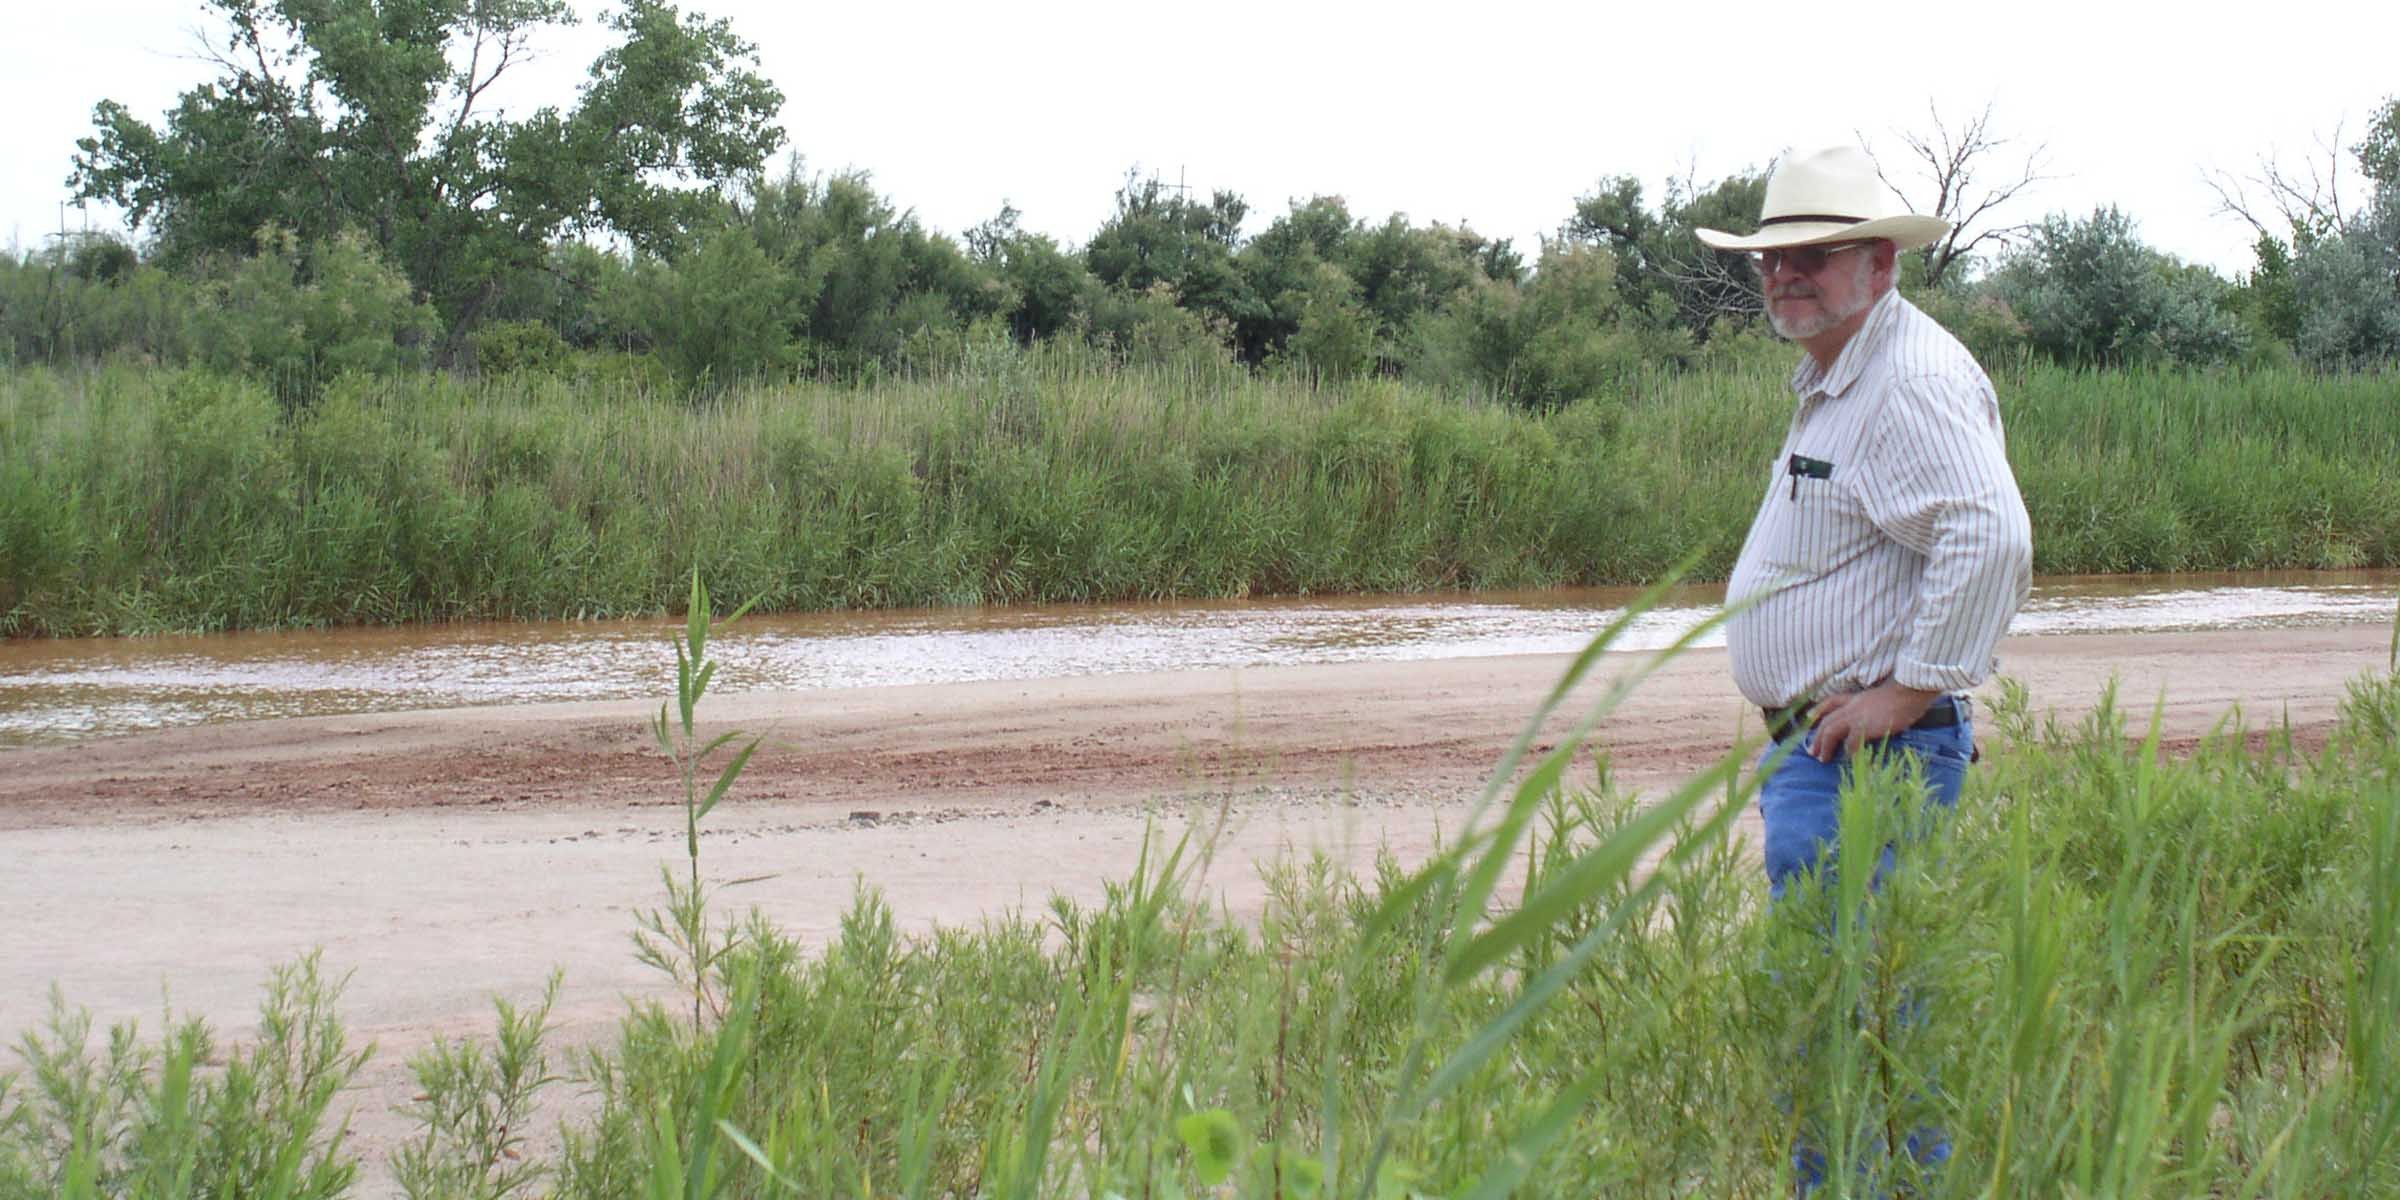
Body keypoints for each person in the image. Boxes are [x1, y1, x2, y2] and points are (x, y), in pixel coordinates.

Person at [1700, 144, 2032, 1190]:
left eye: (1817, 253)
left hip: (1861, 760)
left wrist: (1912, 689)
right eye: (1771, 258)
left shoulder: (1910, 380)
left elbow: (1992, 536)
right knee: (1837, 1006)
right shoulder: (1847, 375)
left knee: (1861, 1012)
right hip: (1833, 754)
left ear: (1880, 264)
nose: (1786, 274)